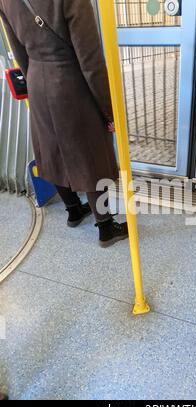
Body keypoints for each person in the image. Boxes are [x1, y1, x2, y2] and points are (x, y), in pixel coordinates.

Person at [0, 0, 128, 247]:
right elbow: (90, 61)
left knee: (52, 149)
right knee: (88, 152)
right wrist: (108, 111)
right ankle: (105, 226)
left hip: (37, 80)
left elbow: (19, 53)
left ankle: (73, 209)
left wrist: (36, 79)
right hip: (71, 82)